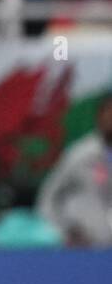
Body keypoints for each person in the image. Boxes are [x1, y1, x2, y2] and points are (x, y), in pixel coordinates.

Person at [36, 94, 112, 247]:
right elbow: (48, 197)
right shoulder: (81, 154)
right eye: (109, 114)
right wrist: (61, 231)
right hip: (83, 244)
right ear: (99, 118)